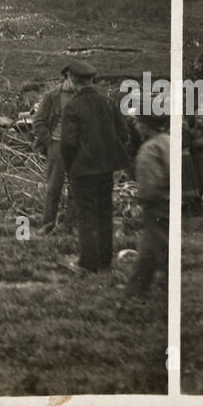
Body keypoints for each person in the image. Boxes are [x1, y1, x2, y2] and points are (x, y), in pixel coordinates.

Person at [59, 62, 130, 273]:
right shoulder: (107, 102)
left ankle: (88, 263)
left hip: (82, 170)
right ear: (91, 80)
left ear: (73, 80)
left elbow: (69, 143)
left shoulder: (72, 106)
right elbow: (124, 133)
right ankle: (105, 261)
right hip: (105, 168)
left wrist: (70, 165)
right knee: (104, 214)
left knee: (86, 215)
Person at [127, 114, 170, 299]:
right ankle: (166, 281)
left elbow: (150, 186)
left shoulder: (149, 149)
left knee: (148, 249)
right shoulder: (168, 141)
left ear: (146, 126)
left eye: (138, 121)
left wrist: (142, 202)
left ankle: (136, 293)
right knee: (166, 245)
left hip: (157, 205)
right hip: (171, 201)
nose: (135, 125)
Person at [31, 66, 78, 233]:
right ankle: (47, 224)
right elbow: (38, 123)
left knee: (76, 188)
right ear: (66, 77)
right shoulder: (51, 97)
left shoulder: (82, 97)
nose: (77, 83)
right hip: (57, 147)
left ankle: (70, 225)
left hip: (77, 150)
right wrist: (50, 142)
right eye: (74, 79)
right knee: (53, 188)